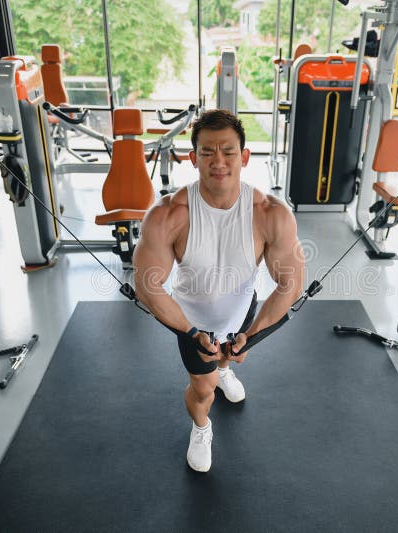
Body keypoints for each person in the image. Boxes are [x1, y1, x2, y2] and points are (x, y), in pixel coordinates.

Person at [133, 109, 305, 473]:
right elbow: (148, 286)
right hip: (191, 321)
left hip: (242, 310)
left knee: (228, 354)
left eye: (228, 151)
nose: (219, 161)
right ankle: (201, 427)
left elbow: (291, 284)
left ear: (244, 157)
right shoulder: (168, 215)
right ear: (193, 159)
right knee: (203, 389)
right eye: (208, 152)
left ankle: (224, 368)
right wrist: (191, 332)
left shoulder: (271, 213)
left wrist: (252, 335)